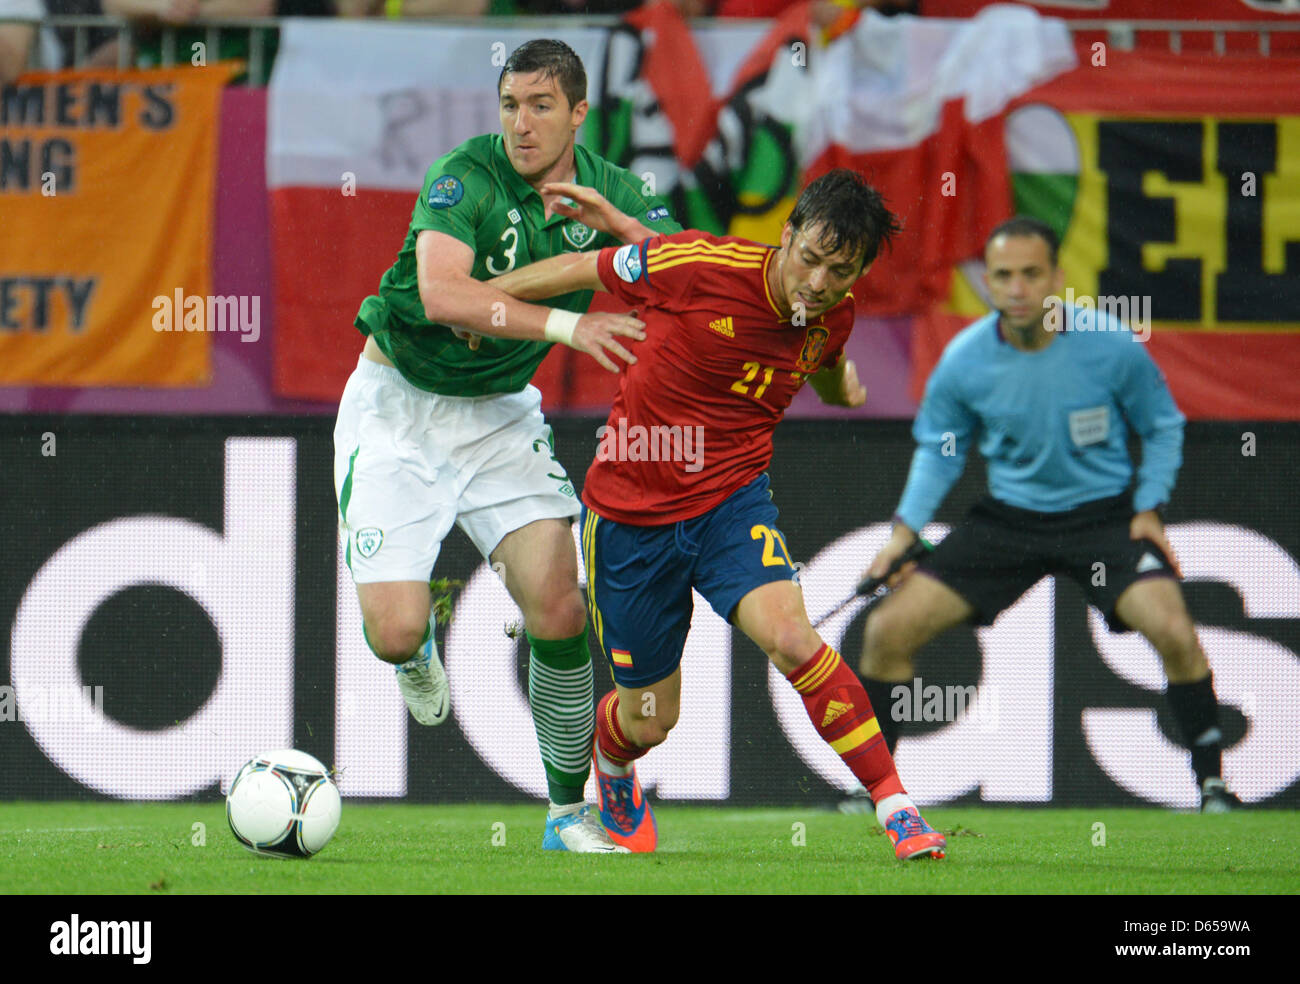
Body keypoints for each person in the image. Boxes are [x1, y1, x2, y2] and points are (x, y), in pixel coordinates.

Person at [488, 169, 949, 861]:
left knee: (794, 639)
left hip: (731, 503)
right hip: (630, 517)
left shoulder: (833, 314)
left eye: (842, 271)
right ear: (786, 235)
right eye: (812, 259)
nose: (820, 282)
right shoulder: (700, 266)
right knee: (648, 720)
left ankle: (897, 808)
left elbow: (822, 356)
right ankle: (612, 768)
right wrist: (477, 304)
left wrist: (842, 386)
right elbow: (579, 267)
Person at [333, 38, 681, 854]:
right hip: (399, 409)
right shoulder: (465, 174)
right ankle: (413, 649)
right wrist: (572, 312)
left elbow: (685, 270)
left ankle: (566, 817)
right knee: (391, 630)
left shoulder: (613, 187)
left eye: (541, 107)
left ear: (579, 113)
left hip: (497, 417)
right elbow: (442, 296)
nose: (522, 125)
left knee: (560, 605)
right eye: (510, 106)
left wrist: (623, 230)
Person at [854, 215, 1242, 814]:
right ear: (988, 283)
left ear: (1058, 277)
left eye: (1030, 274)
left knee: (1173, 631)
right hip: (1008, 520)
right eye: (1003, 276)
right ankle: (875, 789)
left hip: (1105, 520)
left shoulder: (1111, 345)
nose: (1015, 288)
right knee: (886, 631)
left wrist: (1149, 507)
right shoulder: (963, 360)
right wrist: (903, 532)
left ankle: (1213, 787)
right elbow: (939, 451)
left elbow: (1162, 426)